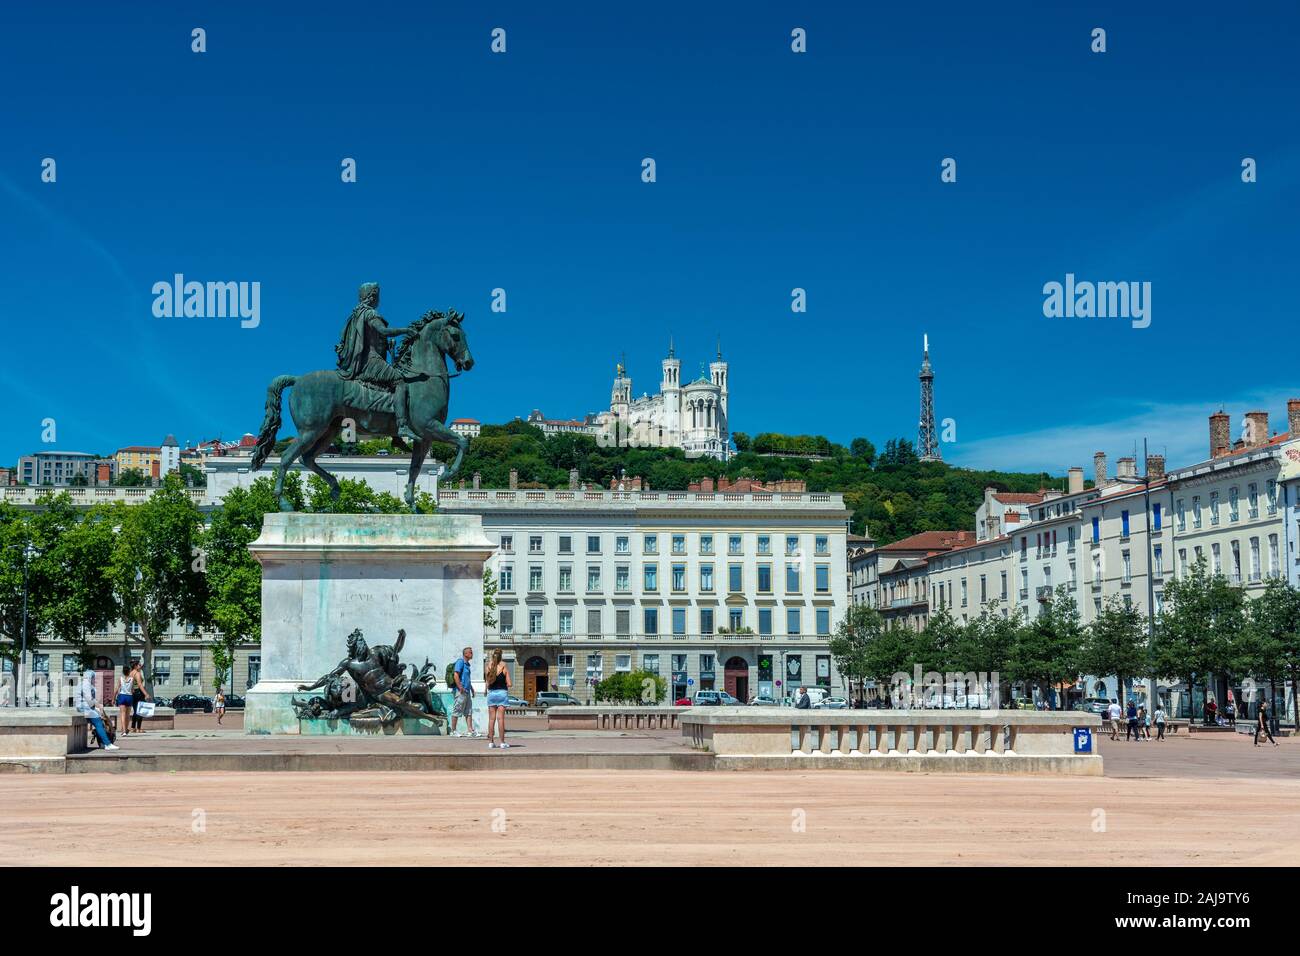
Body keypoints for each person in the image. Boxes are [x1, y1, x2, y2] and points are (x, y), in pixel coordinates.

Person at [334, 282, 419, 441]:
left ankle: (394, 436)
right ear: (372, 296)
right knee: (399, 382)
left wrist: (387, 345)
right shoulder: (370, 313)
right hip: (370, 361)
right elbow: (384, 331)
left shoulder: (355, 314)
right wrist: (405, 330)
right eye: (377, 295)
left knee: (388, 387)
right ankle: (402, 426)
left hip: (361, 361)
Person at [75, 669, 118, 751]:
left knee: (100, 723)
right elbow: (89, 698)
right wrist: (98, 706)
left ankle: (103, 744)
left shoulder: (84, 683)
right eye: (93, 677)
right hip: (85, 708)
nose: (94, 679)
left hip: (85, 707)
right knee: (98, 723)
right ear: (90, 677)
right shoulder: (86, 684)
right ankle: (108, 744)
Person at [484, 649, 512, 749]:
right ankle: (502, 742)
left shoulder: (488, 667)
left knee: (491, 719)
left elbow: (487, 683)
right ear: (501, 656)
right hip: (502, 693)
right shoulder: (504, 666)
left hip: (491, 694)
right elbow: (509, 683)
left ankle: (491, 742)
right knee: (500, 719)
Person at [450, 646, 479, 738]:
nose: (472, 654)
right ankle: (453, 731)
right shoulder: (460, 662)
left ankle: (470, 730)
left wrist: (472, 689)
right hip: (461, 691)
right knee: (457, 710)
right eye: (470, 652)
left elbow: (467, 679)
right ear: (465, 654)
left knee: (468, 711)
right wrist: (460, 687)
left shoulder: (467, 665)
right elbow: (456, 675)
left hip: (467, 691)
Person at [129, 660, 150, 733]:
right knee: (140, 710)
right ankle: (138, 728)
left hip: (133, 693)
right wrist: (146, 694)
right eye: (139, 665)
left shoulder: (130, 673)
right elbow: (140, 685)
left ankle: (132, 727)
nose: (140, 666)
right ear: (135, 666)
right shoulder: (137, 673)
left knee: (135, 711)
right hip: (138, 692)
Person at [115, 665, 135, 736]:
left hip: (122, 696)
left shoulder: (120, 678)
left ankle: (123, 731)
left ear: (123, 672)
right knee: (128, 715)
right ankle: (126, 729)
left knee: (122, 714)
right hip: (129, 696)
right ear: (129, 671)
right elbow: (132, 690)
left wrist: (113, 697)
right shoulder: (132, 679)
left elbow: (117, 688)